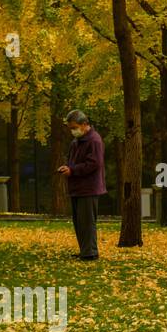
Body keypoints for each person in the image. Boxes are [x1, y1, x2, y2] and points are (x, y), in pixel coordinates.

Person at [56, 110, 106, 261]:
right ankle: (85, 250)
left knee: (87, 222)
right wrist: (67, 168)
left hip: (89, 188)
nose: (73, 130)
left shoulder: (94, 141)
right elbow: (74, 162)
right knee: (79, 222)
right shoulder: (76, 142)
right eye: (71, 128)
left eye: (75, 127)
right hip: (77, 187)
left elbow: (94, 164)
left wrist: (72, 170)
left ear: (85, 124)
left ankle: (90, 253)